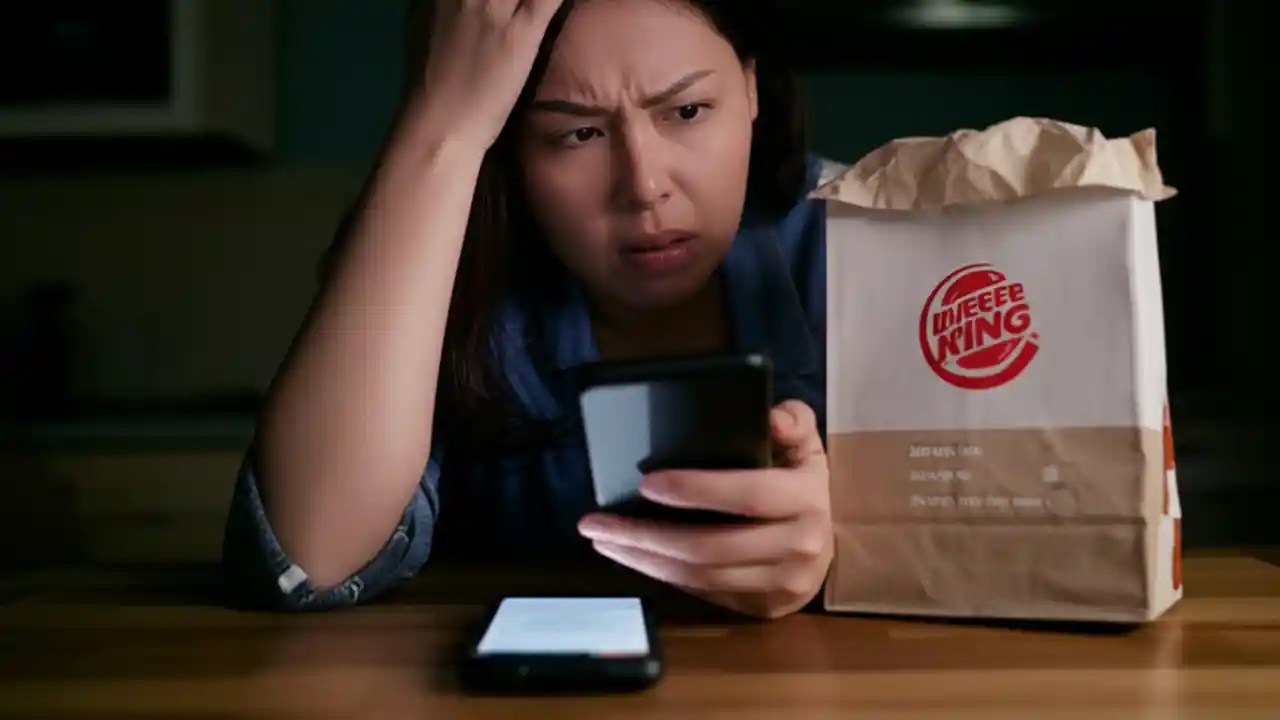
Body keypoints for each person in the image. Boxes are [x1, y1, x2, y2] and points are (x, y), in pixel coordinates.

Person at [222, 0, 838, 619]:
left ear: (751, 88)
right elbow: (310, 560)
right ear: (509, 144)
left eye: (686, 111)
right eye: (578, 134)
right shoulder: (454, 265)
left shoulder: (852, 241)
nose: (645, 186)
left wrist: (845, 549)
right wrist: (444, 126)